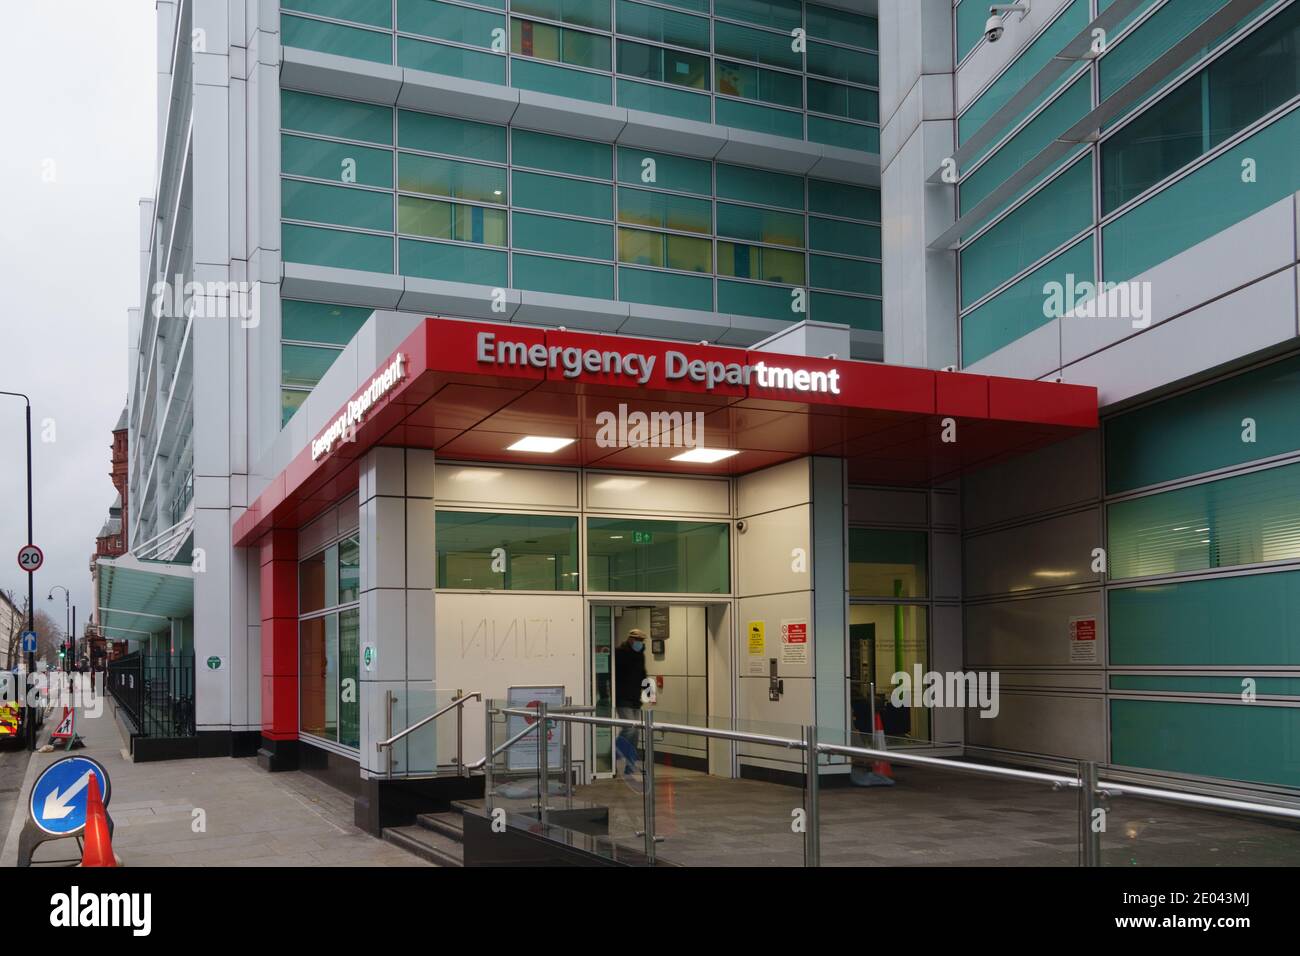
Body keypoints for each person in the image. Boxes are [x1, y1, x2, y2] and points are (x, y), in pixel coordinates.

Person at [613, 628, 650, 791]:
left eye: (641, 641)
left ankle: (630, 765)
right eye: (637, 640)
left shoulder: (640, 655)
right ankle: (612, 754)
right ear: (630, 639)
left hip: (635, 699)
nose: (639, 643)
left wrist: (648, 693)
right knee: (629, 729)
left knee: (635, 733)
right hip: (622, 697)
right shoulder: (620, 653)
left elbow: (643, 675)